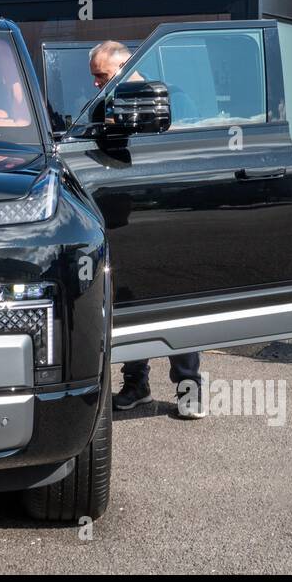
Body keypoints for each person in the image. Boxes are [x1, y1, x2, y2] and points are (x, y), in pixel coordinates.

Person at [91, 40, 204, 417]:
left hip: (167, 214)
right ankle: (136, 383)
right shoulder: (101, 104)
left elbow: (190, 153)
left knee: (177, 299)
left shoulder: (176, 100)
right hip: (122, 215)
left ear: (123, 68)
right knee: (127, 298)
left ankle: (190, 389)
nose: (95, 84)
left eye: (101, 75)